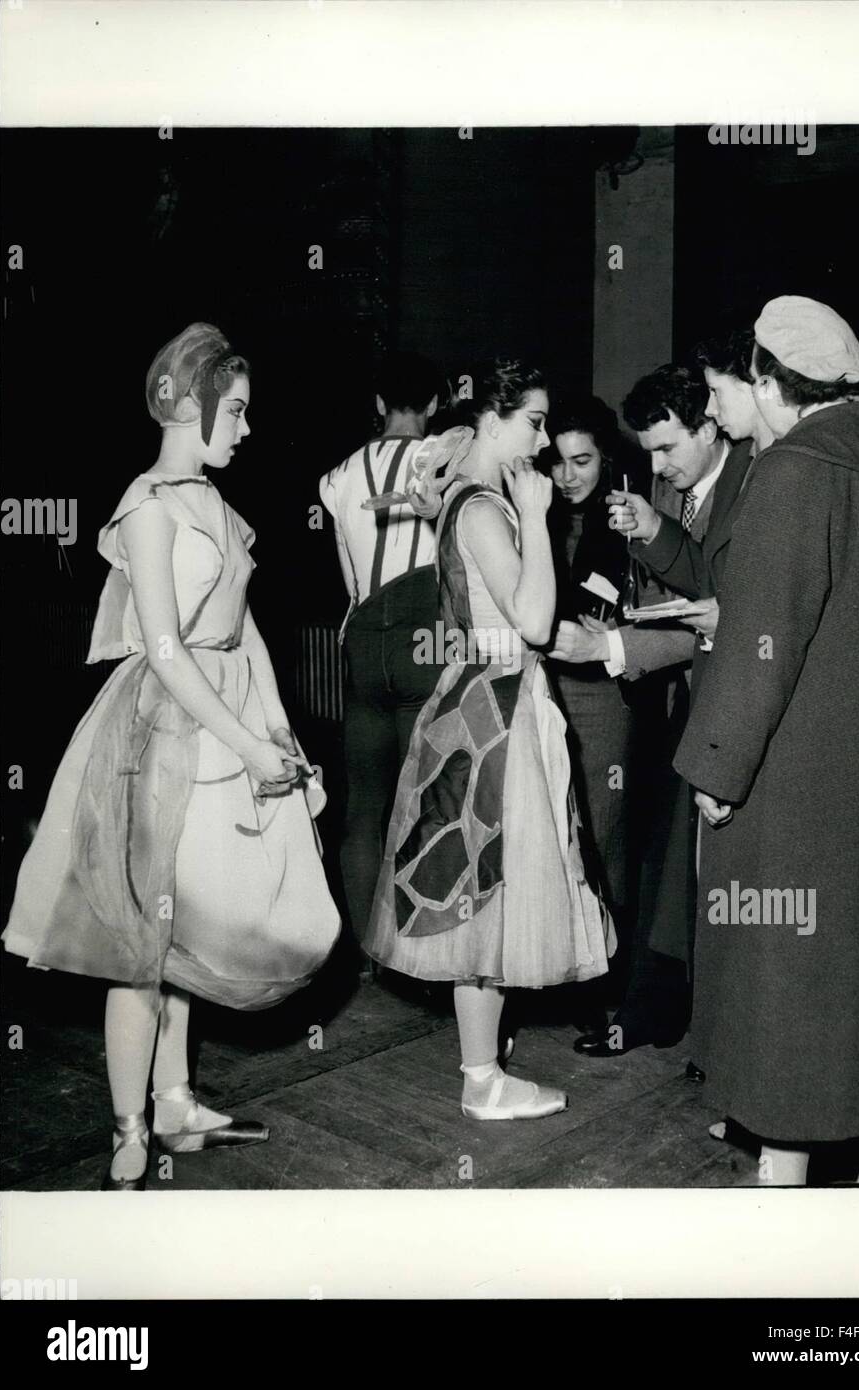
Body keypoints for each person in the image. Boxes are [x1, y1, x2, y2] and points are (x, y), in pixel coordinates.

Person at [3, 322, 341, 1189]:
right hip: (160, 729)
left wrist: (280, 741)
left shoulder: (221, 510)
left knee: (191, 918)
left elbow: (247, 636)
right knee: (139, 941)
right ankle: (128, 1129)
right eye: (235, 410)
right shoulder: (147, 508)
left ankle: (179, 1101)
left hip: (226, 713)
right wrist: (239, 739)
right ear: (186, 404)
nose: (247, 426)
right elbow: (162, 647)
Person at [675, 296, 859, 1183]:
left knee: (791, 1022)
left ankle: (785, 1235)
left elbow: (763, 641)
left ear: (774, 385)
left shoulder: (795, 473)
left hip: (802, 790)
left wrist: (716, 767)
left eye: (741, 385)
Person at [364, 358, 615, 1119]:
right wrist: (536, 518)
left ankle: (483, 1072)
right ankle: (482, 1081)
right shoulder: (483, 508)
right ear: (496, 419)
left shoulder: (466, 495)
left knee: (480, 894)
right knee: (484, 890)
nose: (541, 445)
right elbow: (534, 623)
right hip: (496, 708)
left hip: (482, 695)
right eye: (534, 423)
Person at [572, 363, 750, 1059]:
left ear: (710, 425)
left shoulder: (754, 481)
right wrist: (647, 533)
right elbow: (681, 593)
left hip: (726, 700)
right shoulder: (670, 484)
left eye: (669, 447)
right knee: (666, 868)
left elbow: (721, 606)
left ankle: (702, 1032)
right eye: (647, 450)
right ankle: (662, 1014)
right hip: (678, 703)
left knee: (705, 878)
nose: (656, 463)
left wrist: (615, 644)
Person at [319, 352, 446, 963]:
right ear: (434, 405)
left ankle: (369, 952)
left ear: (377, 406)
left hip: (365, 636)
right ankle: (420, 948)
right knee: (426, 797)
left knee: (363, 806)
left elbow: (350, 580)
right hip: (430, 633)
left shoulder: (337, 476)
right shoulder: (443, 457)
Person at [542, 395, 651, 1007]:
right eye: (557, 462)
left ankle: (608, 988)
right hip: (542, 684)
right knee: (553, 830)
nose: (568, 476)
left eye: (581, 460)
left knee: (605, 835)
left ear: (606, 458)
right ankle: (564, 969)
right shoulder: (536, 513)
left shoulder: (631, 514)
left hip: (605, 693)